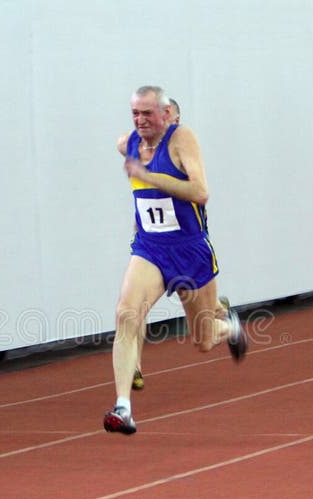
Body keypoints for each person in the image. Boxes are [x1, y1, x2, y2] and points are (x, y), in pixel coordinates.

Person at [105, 86, 246, 435]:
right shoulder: (130, 143)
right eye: (135, 113)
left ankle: (229, 326)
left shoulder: (182, 139)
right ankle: (123, 408)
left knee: (203, 341)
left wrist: (148, 176)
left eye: (147, 113)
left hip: (189, 251)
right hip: (150, 249)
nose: (140, 120)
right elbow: (121, 144)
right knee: (126, 313)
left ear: (166, 114)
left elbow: (201, 192)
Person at [132, 96, 181, 392]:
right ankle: (134, 366)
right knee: (135, 307)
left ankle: (222, 315)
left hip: (184, 247)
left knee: (205, 330)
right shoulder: (145, 149)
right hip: (151, 246)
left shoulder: (182, 154)